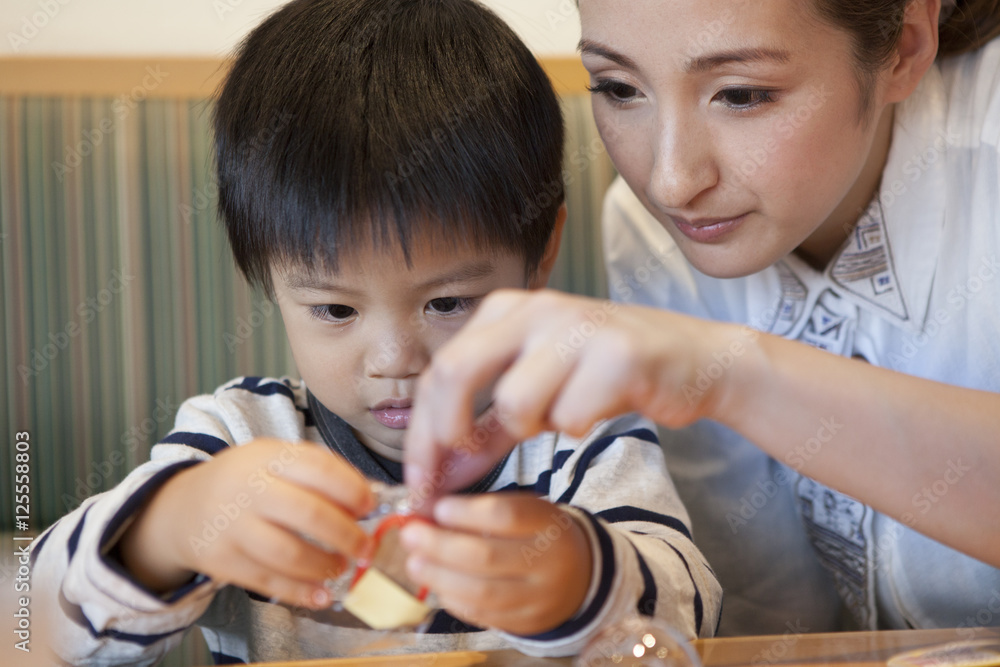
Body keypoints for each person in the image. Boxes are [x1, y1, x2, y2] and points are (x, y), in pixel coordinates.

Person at [29, 0, 722, 663]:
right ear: (269, 281)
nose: (395, 361)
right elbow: (33, 617)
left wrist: (579, 572)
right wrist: (170, 527)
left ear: (541, 257)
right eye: (336, 311)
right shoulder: (242, 438)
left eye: (448, 303)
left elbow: (688, 611)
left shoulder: (574, 433)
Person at [404, 0, 1000, 636]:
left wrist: (729, 376)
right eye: (619, 88)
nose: (669, 183)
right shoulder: (650, 235)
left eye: (740, 94)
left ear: (905, 46)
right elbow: (767, 617)